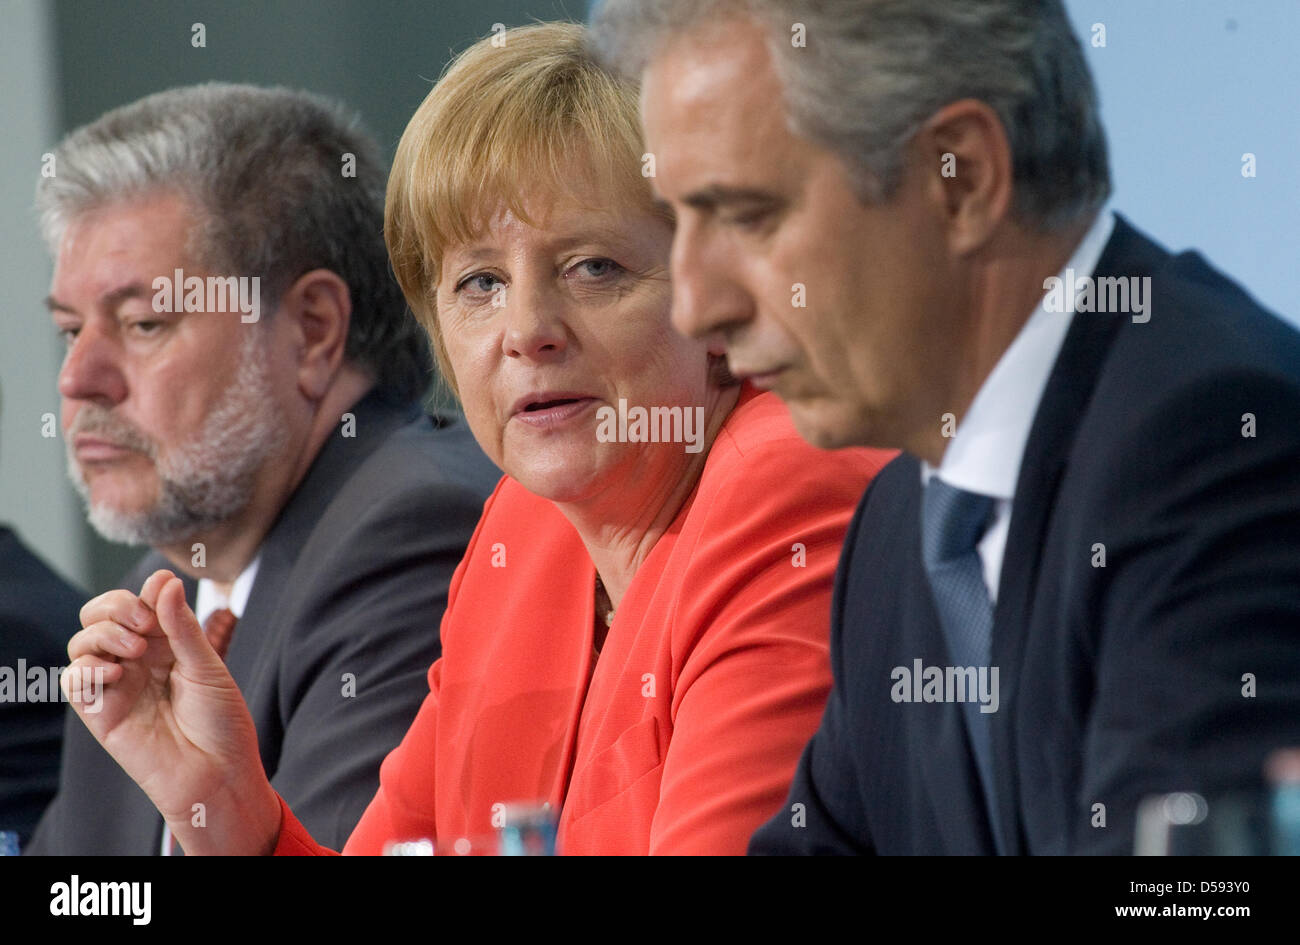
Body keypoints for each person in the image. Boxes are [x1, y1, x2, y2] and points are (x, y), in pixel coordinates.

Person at [58, 23, 893, 856]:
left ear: (716, 291)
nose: (526, 331)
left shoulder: (784, 482)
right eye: (480, 283)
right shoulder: (522, 531)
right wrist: (231, 811)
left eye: (593, 267)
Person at [592, 0, 1300, 854]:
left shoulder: (1211, 438)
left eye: (747, 216)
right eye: (679, 224)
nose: (698, 305)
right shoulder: (900, 524)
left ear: (959, 178)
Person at [28, 84, 500, 855]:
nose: (77, 379)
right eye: (70, 329)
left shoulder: (409, 531)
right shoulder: (162, 589)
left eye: (145, 322)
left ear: (312, 331)